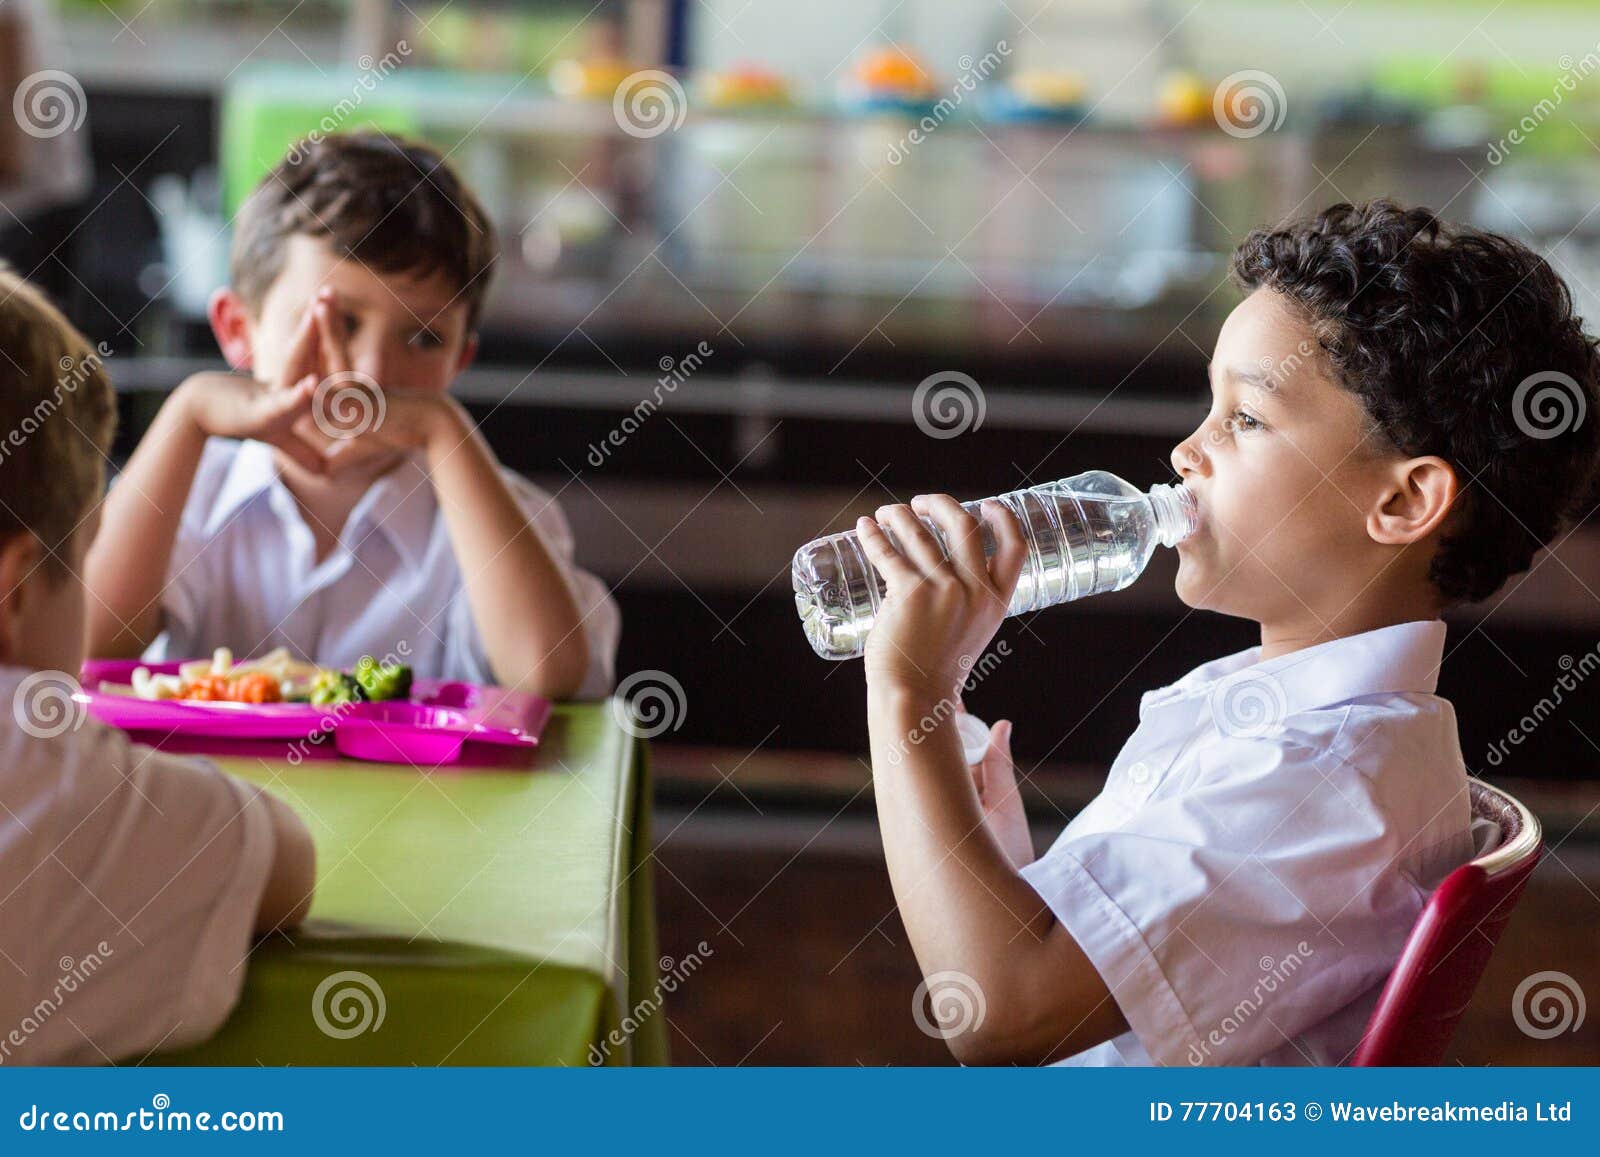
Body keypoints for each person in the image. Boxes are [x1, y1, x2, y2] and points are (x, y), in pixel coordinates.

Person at [858, 200, 1600, 1065]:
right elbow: (1080, 975)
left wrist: (903, 690)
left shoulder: (1319, 783)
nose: (1186, 451)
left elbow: (1001, 1010)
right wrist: (972, 819)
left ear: (1402, 502)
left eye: (1243, 418)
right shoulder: (1286, 724)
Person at [84, 132, 619, 699]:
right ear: (239, 330)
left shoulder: (494, 513)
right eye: (338, 323)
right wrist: (185, 414)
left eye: (423, 338)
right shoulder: (192, 489)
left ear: (460, 361)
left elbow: (548, 674)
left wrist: (445, 428)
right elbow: (86, 644)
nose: (370, 372)